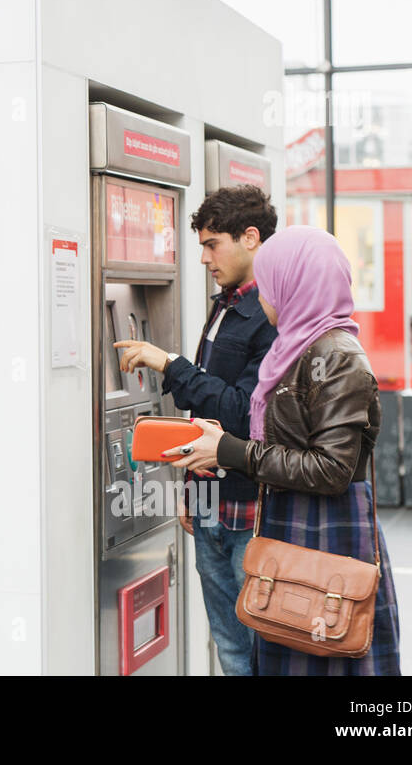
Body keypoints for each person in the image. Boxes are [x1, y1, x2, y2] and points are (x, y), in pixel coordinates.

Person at [172, 225, 400, 675]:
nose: (264, 297)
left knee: (325, 644)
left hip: (325, 528)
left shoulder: (336, 356)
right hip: (293, 518)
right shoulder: (296, 349)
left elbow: (331, 468)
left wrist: (232, 452)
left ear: (297, 284)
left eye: (272, 283)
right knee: (291, 646)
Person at [114, 184, 277, 676]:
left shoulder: (270, 316)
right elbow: (203, 410)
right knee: (228, 646)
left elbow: (241, 413)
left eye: (213, 245)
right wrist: (190, 491)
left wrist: (170, 363)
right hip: (210, 505)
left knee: (258, 647)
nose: (204, 257)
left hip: (250, 511)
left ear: (250, 237)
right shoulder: (225, 304)